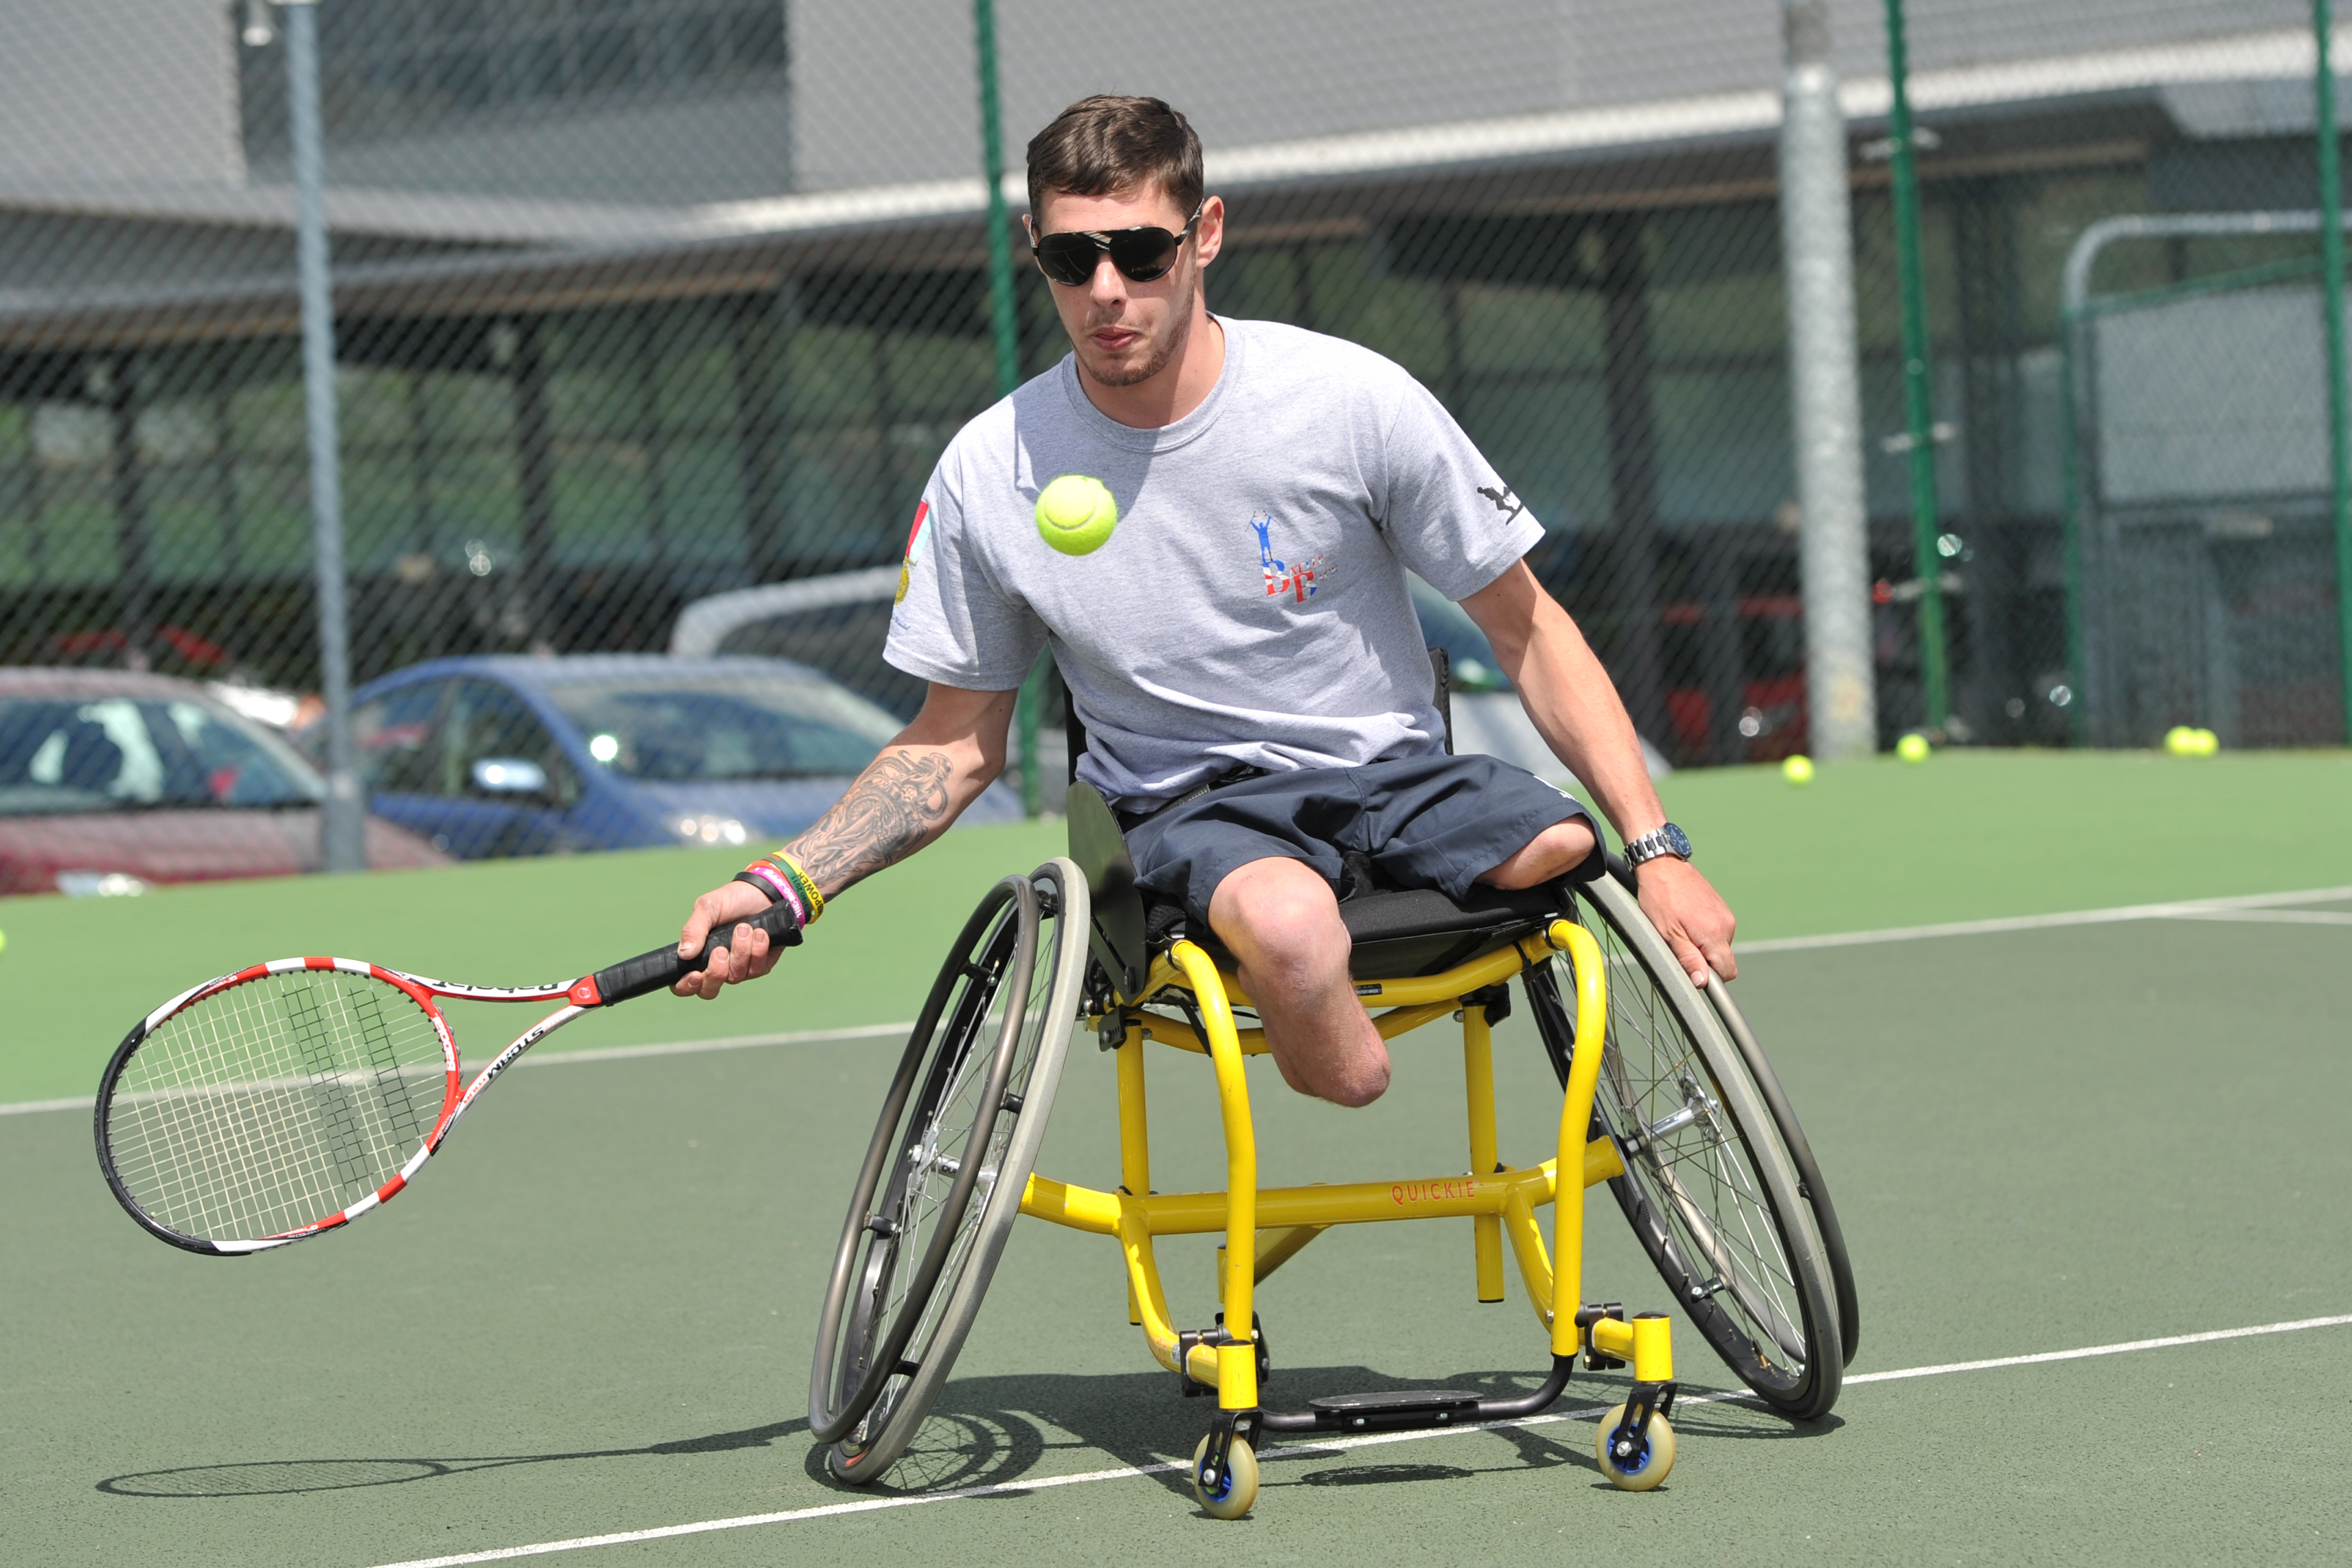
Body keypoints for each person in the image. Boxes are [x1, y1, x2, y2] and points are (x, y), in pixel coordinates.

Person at [672, 94, 1735, 1108]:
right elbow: (953, 744)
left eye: (1141, 253)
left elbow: (1528, 625)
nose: (1106, 291)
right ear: (1033, 251)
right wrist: (787, 884)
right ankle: (1347, 1070)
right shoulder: (988, 469)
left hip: (1391, 778)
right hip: (1190, 810)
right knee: (1288, 924)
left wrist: (1657, 850)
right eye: (1070, 258)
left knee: (1561, 844)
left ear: (1206, 233)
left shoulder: (1350, 400)